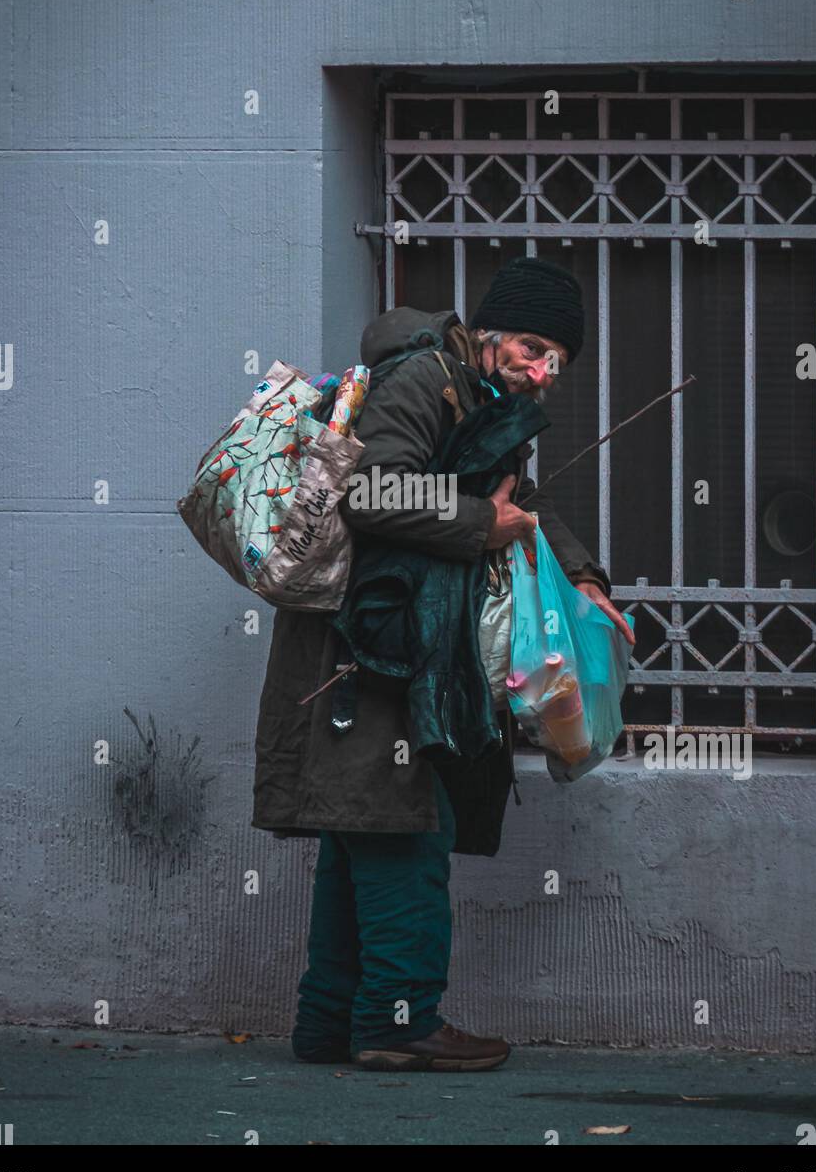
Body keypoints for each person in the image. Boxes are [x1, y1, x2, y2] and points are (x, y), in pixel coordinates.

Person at [252, 256, 634, 1072]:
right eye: (530, 346)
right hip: (371, 643)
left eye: (554, 360)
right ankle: (398, 1022)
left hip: (396, 641)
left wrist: (587, 582)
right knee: (401, 822)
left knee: (362, 826)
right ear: (489, 332)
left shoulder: (486, 397)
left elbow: (521, 508)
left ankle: (328, 1022)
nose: (540, 368)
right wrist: (477, 526)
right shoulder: (428, 380)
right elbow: (373, 492)